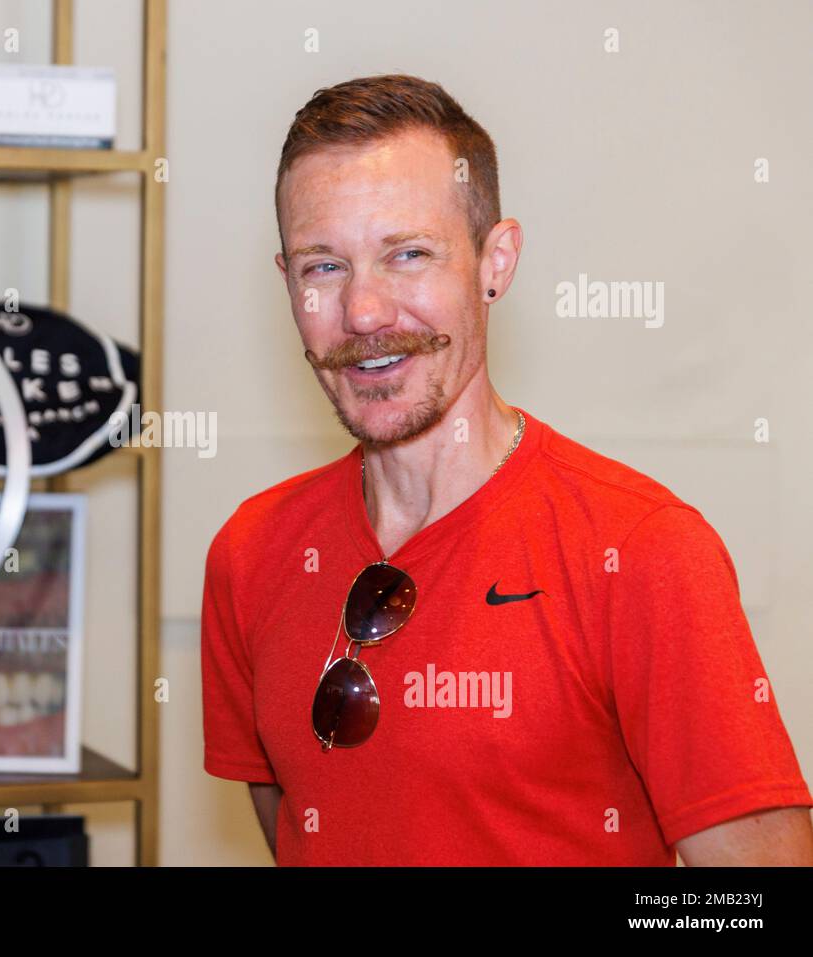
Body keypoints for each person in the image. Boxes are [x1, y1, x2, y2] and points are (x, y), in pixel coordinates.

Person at [200, 74, 813, 866]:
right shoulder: (249, 555)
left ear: (496, 261)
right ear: (287, 282)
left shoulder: (642, 552)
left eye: (408, 253)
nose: (364, 312)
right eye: (324, 267)